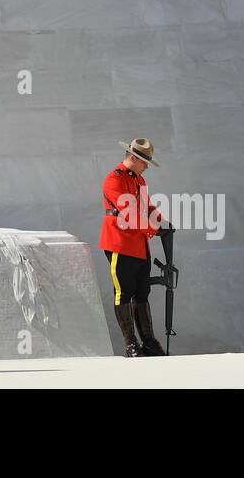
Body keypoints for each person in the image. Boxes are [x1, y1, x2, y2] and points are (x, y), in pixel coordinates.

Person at [100, 138, 166, 357]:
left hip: (139, 244)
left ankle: (148, 341)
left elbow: (146, 207)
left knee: (142, 293)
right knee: (124, 292)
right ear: (133, 158)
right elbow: (129, 211)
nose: (147, 166)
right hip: (120, 241)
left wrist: (161, 222)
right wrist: (152, 230)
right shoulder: (113, 180)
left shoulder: (140, 181)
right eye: (145, 162)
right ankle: (131, 344)